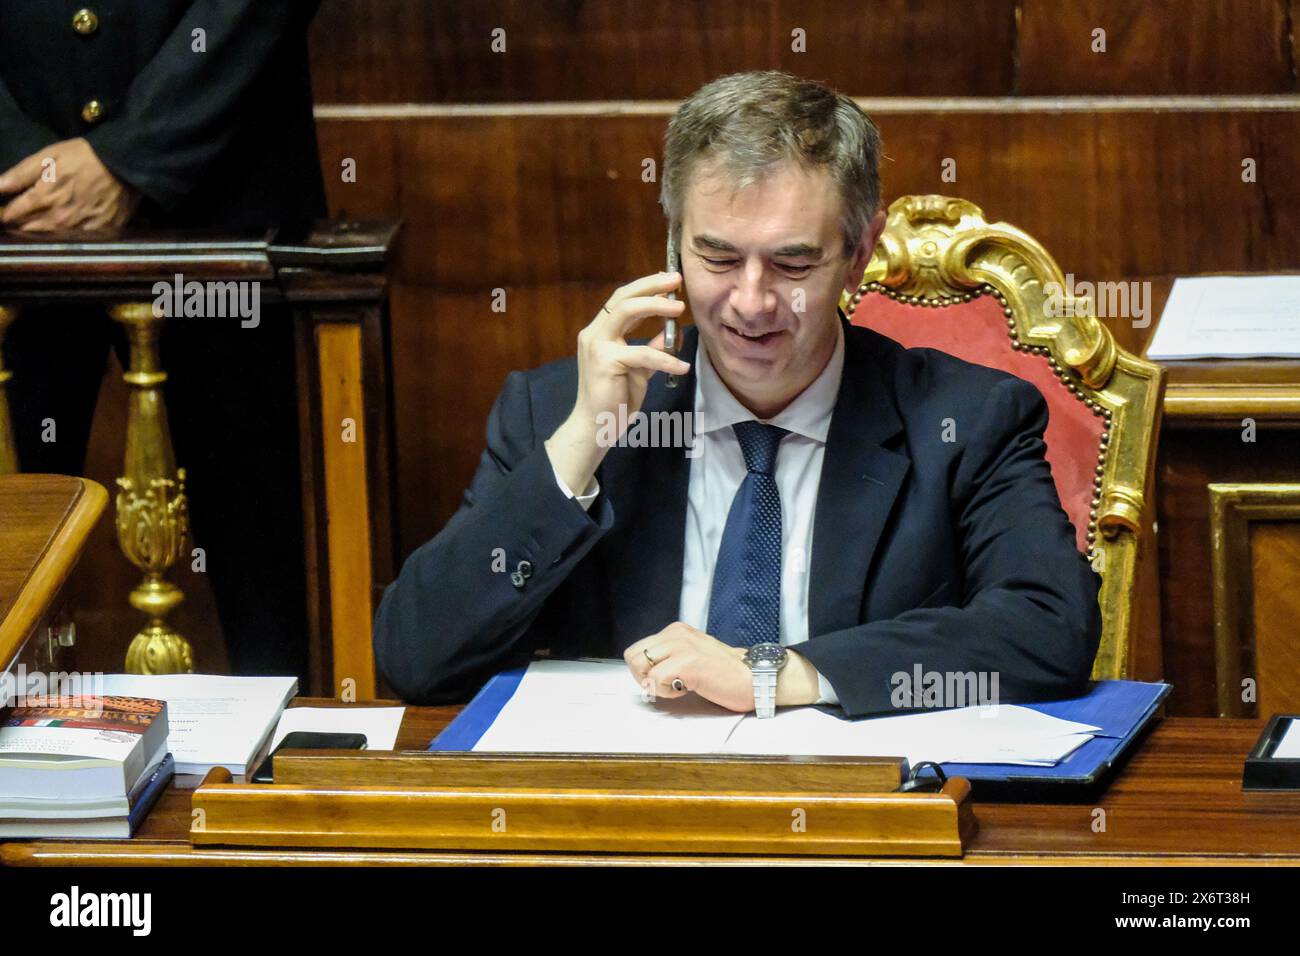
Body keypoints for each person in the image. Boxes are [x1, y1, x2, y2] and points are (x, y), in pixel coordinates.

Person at [373, 70, 1102, 718]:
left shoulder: (965, 419)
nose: (750, 304)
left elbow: (1049, 627)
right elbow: (416, 658)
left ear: (858, 254)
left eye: (792, 263)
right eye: (717, 257)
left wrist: (779, 672)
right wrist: (578, 451)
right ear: (672, 248)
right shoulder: (561, 413)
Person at [0, 1, 326, 680]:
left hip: (226, 202)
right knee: (8, 555)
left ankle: (284, 787)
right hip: (13, 216)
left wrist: (130, 155)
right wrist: (19, 161)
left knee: (272, 587)